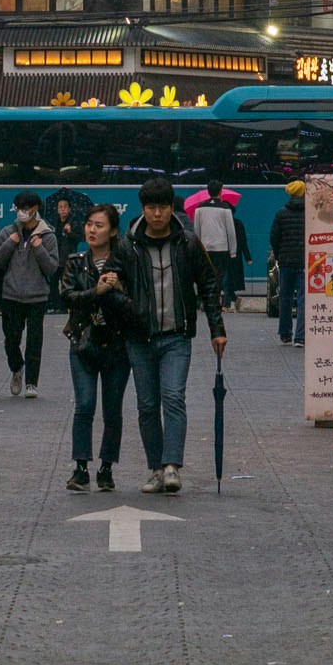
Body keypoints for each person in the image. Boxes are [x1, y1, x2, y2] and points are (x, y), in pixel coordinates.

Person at [118, 176, 227, 494]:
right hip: (139, 337)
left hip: (177, 336)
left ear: (171, 209)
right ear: (143, 209)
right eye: (151, 208)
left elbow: (208, 284)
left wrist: (216, 330)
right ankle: (155, 467)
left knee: (174, 398)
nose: (156, 214)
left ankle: (171, 467)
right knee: (147, 405)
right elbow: (113, 281)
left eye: (162, 207)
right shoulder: (129, 247)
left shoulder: (188, 243)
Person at [56, 202, 131, 492]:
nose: (92, 230)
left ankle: (106, 468)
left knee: (112, 410)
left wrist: (120, 289)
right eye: (89, 224)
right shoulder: (75, 262)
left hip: (117, 345)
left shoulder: (125, 264)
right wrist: (96, 291)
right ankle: (80, 467)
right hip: (82, 342)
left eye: (99, 225)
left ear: (113, 231)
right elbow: (66, 296)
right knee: (84, 405)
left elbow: (136, 302)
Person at [0, 196, 60, 396]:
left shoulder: (48, 236)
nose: (22, 211)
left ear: (35, 209)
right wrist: (9, 244)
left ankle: (31, 382)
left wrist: (38, 248)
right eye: (19, 208)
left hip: (37, 296)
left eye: (26, 208)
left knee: (34, 340)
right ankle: (17, 367)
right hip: (11, 295)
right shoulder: (7, 232)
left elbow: (52, 267)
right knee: (11, 339)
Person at [192, 184, 246, 313]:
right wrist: (233, 251)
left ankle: (207, 302)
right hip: (222, 248)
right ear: (220, 191)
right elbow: (230, 231)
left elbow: (197, 230)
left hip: (205, 248)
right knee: (222, 276)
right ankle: (221, 302)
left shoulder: (199, 208)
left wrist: (198, 248)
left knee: (206, 276)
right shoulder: (225, 208)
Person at [268, 184, 308, 345]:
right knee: (303, 298)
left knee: (285, 296)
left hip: (285, 261)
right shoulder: (310, 213)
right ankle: (301, 336)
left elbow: (274, 237)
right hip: (305, 261)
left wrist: (279, 255)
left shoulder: (281, 213)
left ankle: (285, 333)